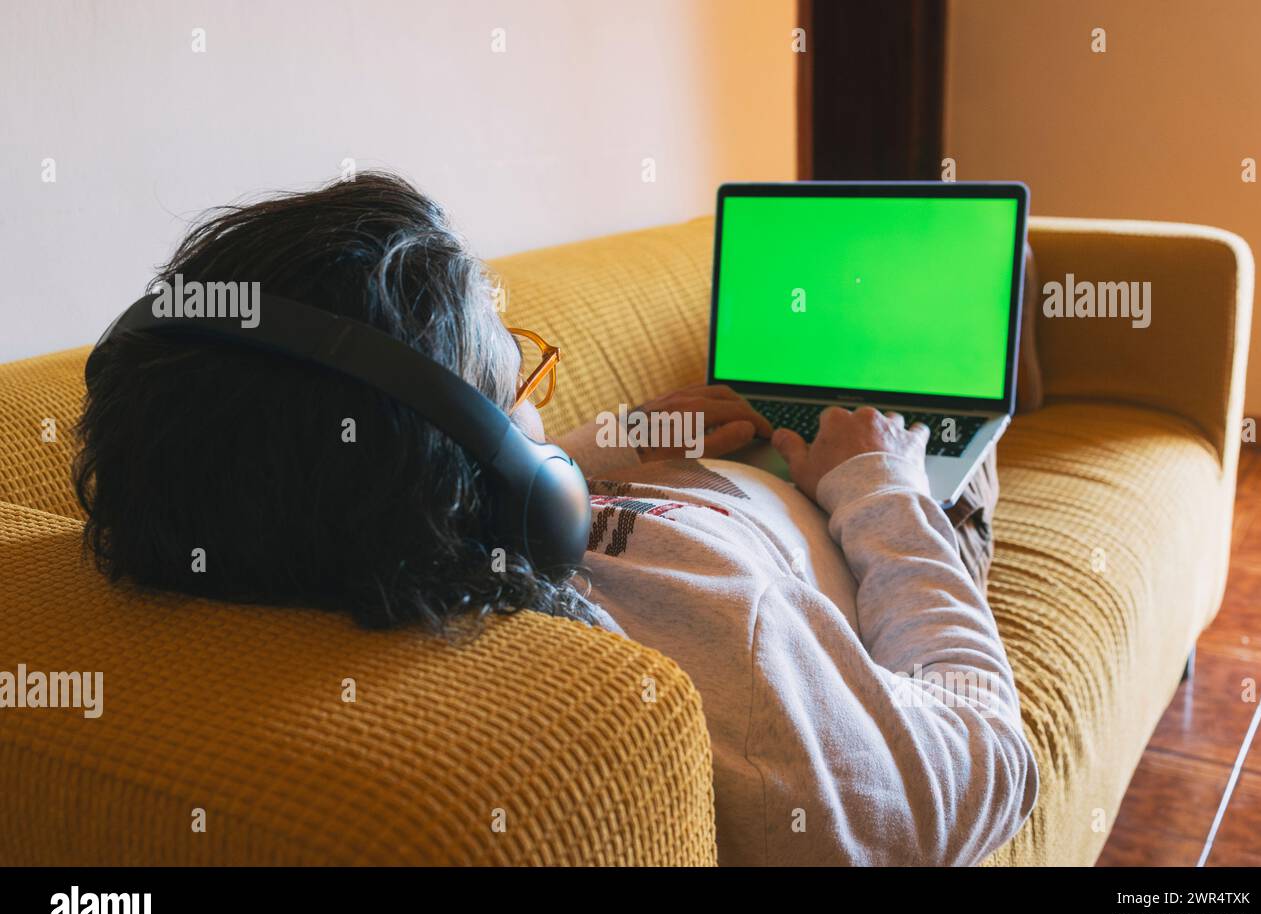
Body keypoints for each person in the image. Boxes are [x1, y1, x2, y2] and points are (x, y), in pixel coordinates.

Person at [76, 172, 1037, 866]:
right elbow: (987, 764)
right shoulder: (715, 652)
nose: (531, 416)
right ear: (487, 479)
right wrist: (883, 491)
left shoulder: (319, 547)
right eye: (514, 382)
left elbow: (334, 488)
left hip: (677, 485)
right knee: (932, 432)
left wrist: (573, 455)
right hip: (857, 537)